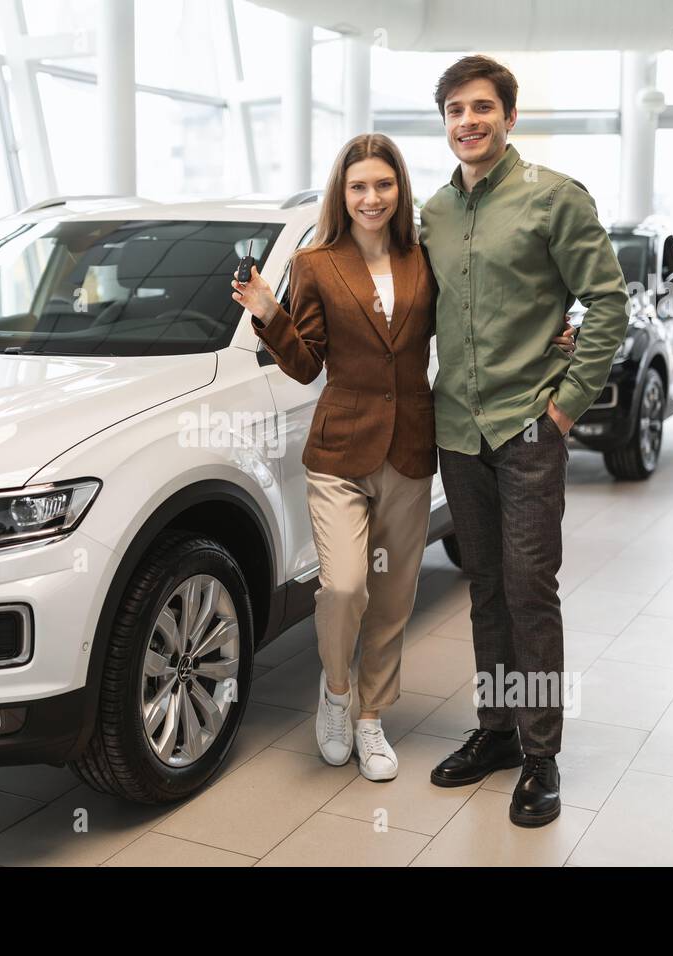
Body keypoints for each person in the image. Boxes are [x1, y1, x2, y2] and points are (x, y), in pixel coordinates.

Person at [232, 133, 575, 781]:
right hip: (339, 450)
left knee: (392, 595)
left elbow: (484, 317)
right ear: (343, 192)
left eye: (383, 185)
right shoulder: (314, 264)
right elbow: (306, 365)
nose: (371, 198)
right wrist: (270, 314)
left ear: (399, 191)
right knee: (342, 586)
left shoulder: (424, 258)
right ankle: (336, 693)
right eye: (359, 186)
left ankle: (370, 716)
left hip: (413, 446)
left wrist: (556, 336)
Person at [419, 55, 629, 826]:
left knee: (529, 592)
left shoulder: (554, 198)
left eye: (480, 107)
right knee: (484, 590)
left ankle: (541, 756)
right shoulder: (434, 214)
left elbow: (607, 305)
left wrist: (566, 408)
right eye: (453, 110)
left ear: (509, 116)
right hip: (458, 428)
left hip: (528, 428)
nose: (466, 121)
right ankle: (497, 729)